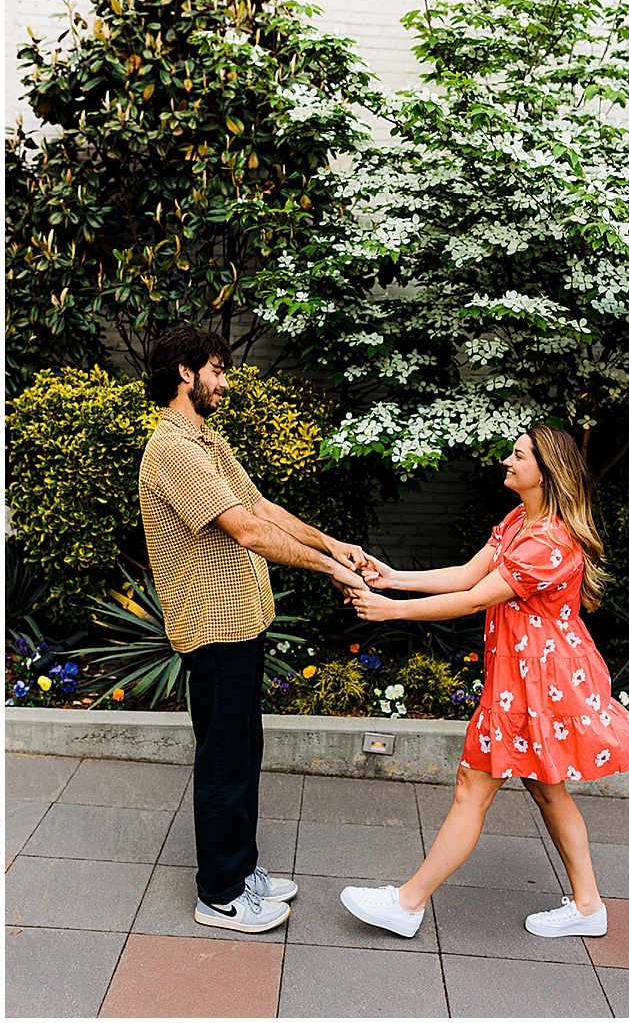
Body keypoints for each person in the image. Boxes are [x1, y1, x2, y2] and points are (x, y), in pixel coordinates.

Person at [338, 425, 629, 939]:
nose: (507, 460)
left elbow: (474, 599)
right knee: (548, 793)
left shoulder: (547, 542)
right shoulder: (519, 521)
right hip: (525, 680)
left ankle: (408, 903)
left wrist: (390, 610)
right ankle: (588, 906)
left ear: (545, 473)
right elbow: (466, 575)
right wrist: (392, 578)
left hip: (539, 684)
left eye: (518, 455)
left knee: (473, 788)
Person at [137, 324, 369, 933]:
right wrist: (330, 570)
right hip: (213, 630)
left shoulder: (205, 439)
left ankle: (240, 871)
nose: (225, 382)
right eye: (217, 370)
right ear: (185, 372)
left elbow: (261, 508)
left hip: (242, 621)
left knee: (243, 754)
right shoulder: (173, 449)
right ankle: (219, 894)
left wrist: (333, 544)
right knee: (224, 764)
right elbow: (246, 530)